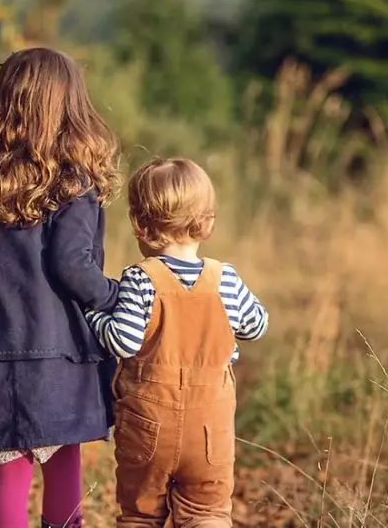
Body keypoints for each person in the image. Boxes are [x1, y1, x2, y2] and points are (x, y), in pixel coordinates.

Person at [0, 47, 121, 528]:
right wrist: (115, 298)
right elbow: (73, 266)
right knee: (64, 467)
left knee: (8, 478)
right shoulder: (74, 184)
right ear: (71, 109)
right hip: (60, 360)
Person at [86, 158, 269, 528]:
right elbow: (257, 325)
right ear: (208, 221)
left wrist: (91, 316)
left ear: (139, 223)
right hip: (209, 426)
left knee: (140, 515)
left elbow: (122, 340)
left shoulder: (141, 278)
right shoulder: (225, 279)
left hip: (148, 423)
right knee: (209, 513)